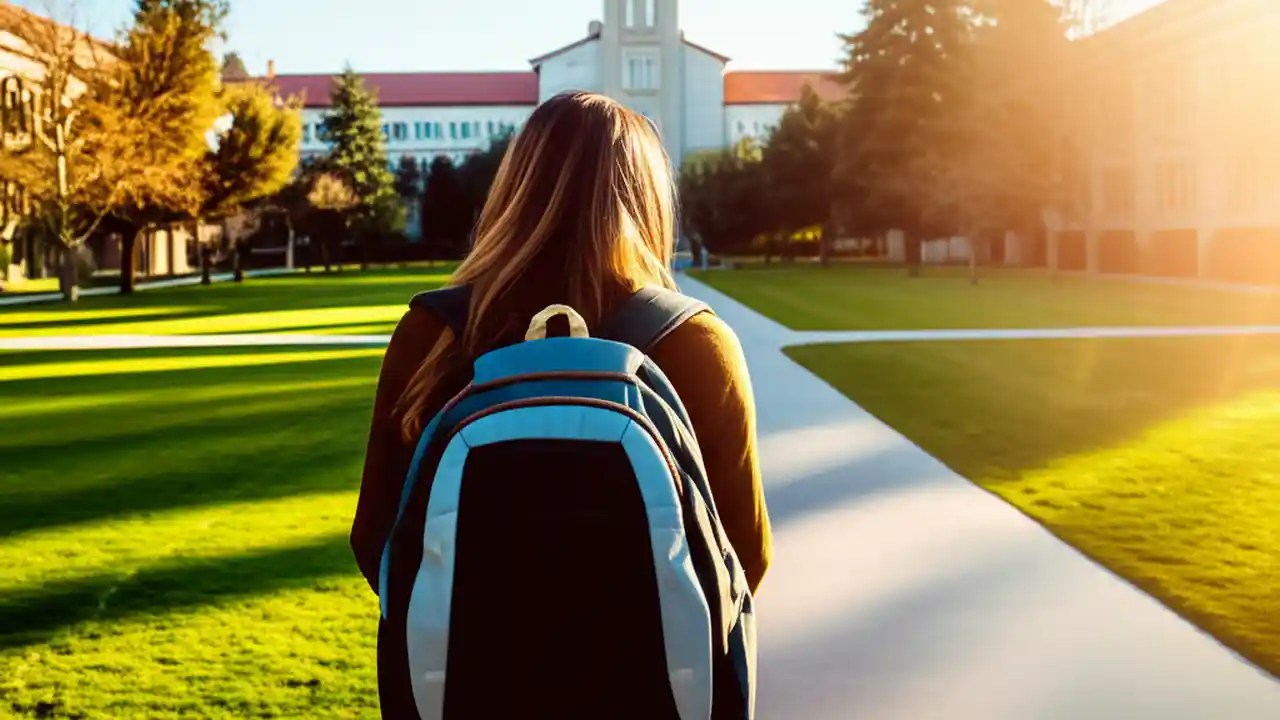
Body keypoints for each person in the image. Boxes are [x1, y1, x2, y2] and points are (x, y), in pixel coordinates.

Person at [351, 91, 772, 717]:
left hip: (474, 690)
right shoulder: (697, 343)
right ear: (649, 201)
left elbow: (378, 540)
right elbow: (742, 555)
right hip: (649, 692)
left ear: (515, 188)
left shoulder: (432, 334)